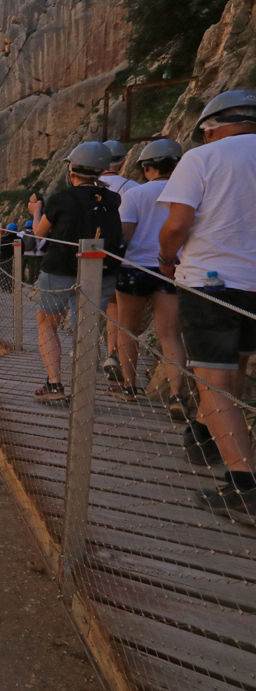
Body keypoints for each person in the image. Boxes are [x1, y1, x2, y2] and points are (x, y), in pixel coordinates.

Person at [158, 89, 256, 524]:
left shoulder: (201, 158)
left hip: (210, 285)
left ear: (209, 127)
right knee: (235, 369)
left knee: (213, 382)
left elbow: (177, 225)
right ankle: (207, 438)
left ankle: (243, 486)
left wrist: (165, 259)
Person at [28, 142, 125, 402]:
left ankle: (55, 384)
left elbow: (39, 233)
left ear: (71, 172)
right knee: (87, 326)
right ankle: (84, 388)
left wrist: (36, 212)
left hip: (60, 268)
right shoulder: (113, 199)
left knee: (47, 324)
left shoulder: (61, 198)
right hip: (101, 271)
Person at [109, 139, 190, 422]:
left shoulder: (135, 195)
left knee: (127, 330)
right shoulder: (188, 193)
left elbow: (124, 235)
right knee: (170, 334)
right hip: (171, 269)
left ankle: (129, 387)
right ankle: (177, 395)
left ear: (147, 168)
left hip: (133, 268)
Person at [99, 140, 139, 380]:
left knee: (101, 307)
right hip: (126, 257)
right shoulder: (133, 188)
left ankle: (89, 352)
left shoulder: (91, 186)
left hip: (93, 255)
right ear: (124, 162)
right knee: (120, 311)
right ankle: (114, 354)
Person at [0, 223, 19, 291]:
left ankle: (5, 286)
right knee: (13, 273)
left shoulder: (2, 239)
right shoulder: (19, 239)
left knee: (3, 273)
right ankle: (13, 286)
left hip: (3, 258)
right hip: (16, 258)